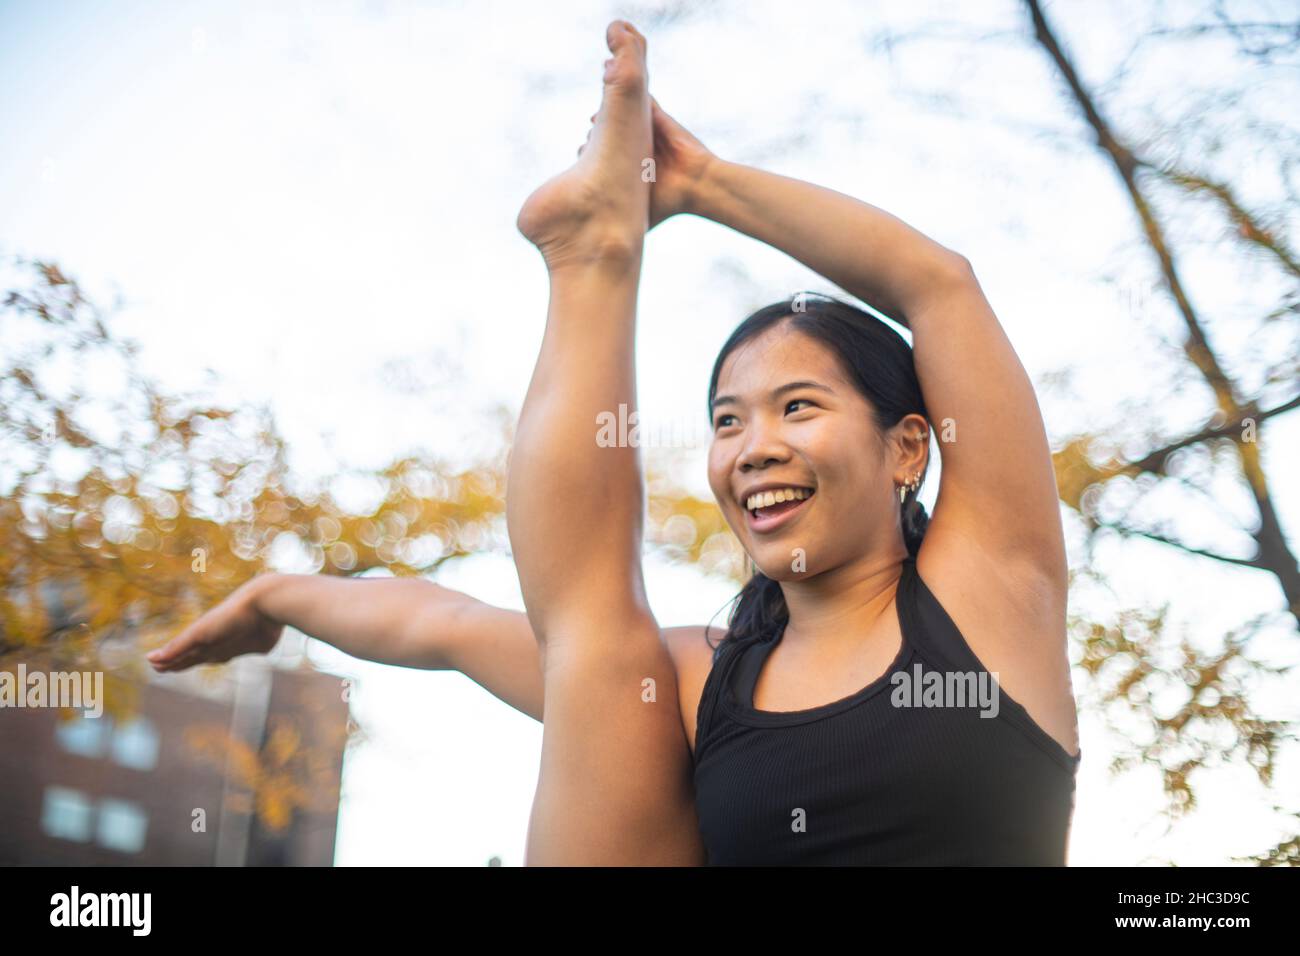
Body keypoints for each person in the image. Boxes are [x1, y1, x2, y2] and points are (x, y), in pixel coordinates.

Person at [149, 19, 1081, 865]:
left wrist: (702, 184)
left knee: (593, 648)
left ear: (908, 448)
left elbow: (939, 286)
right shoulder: (687, 683)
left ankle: (602, 249)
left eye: (797, 407)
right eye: (727, 419)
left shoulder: (992, 593)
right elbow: (443, 626)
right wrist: (277, 597)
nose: (751, 446)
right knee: (595, 650)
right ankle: (590, 258)